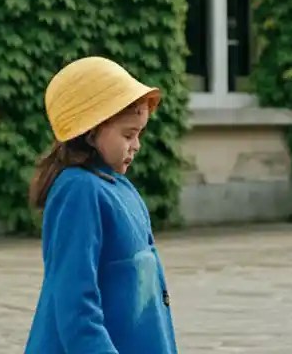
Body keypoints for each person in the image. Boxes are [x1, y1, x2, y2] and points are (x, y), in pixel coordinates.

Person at [23, 56, 178, 354]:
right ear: (91, 132)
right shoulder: (78, 191)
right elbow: (74, 302)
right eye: (128, 135)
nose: (137, 145)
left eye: (139, 134)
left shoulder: (118, 187)